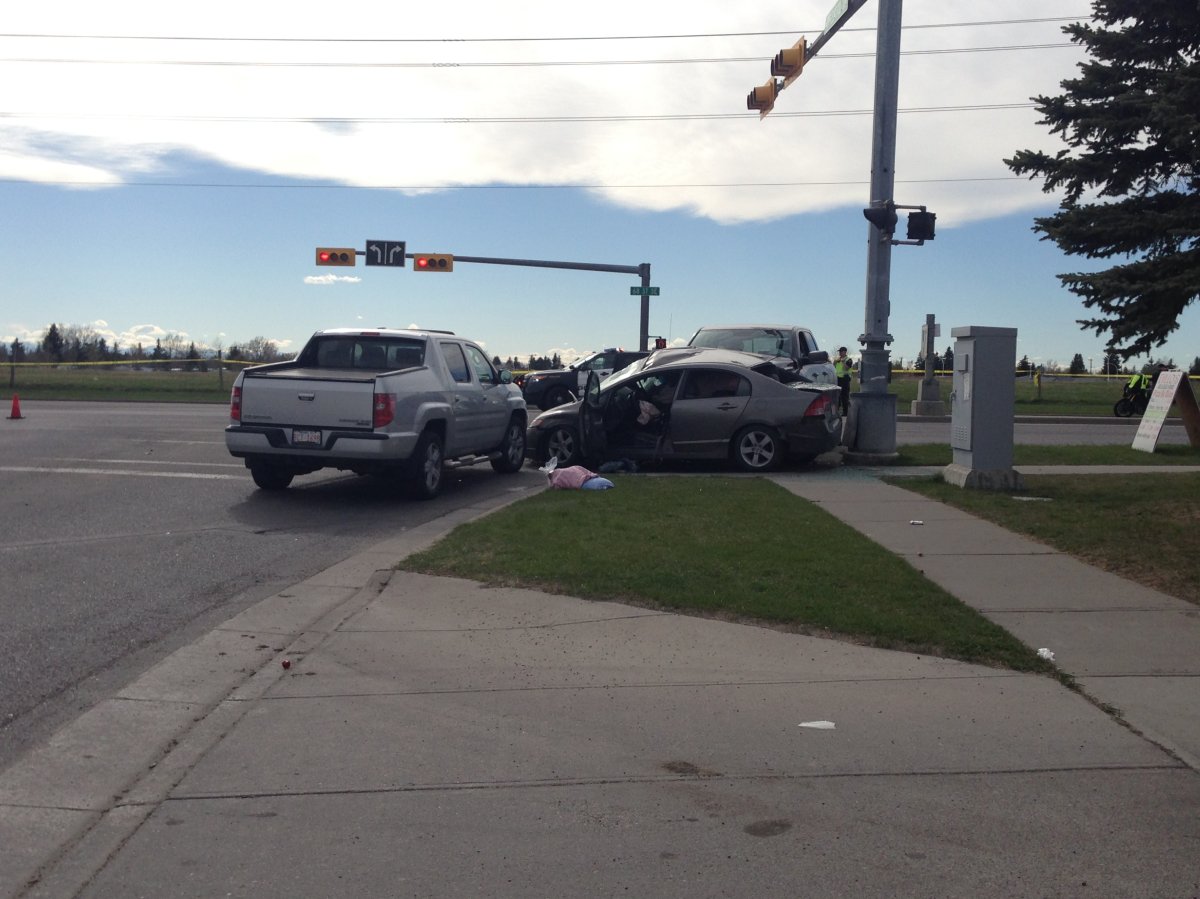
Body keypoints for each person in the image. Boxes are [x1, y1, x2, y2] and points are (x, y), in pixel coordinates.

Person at [833, 347, 853, 416]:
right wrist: (835, 362)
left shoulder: (848, 360)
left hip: (845, 379)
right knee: (837, 396)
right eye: (839, 352)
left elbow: (846, 368)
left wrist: (842, 362)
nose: (840, 353)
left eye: (841, 352)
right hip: (838, 379)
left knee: (845, 396)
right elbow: (833, 367)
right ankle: (837, 411)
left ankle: (845, 412)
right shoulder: (838, 360)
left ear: (845, 352)